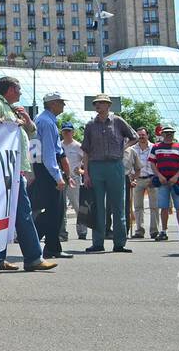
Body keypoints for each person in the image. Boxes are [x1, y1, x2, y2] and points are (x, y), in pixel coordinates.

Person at [0, 77, 56, 272]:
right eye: (18, 89)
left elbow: (32, 132)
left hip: (14, 168)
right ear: (9, 90)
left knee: (9, 214)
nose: (20, 92)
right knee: (23, 213)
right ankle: (33, 257)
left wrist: (25, 118)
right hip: (7, 168)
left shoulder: (12, 108)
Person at [80, 94, 137, 253]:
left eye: (101, 103)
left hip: (115, 165)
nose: (97, 105)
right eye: (96, 103)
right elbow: (85, 150)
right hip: (96, 166)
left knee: (118, 205)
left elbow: (134, 137)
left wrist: (122, 148)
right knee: (97, 205)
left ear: (108, 105)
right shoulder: (90, 124)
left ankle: (119, 243)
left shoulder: (117, 121)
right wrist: (86, 173)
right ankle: (97, 242)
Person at [31, 92, 68, 259]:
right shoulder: (47, 122)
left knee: (54, 209)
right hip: (47, 169)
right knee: (55, 210)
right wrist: (57, 176)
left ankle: (52, 246)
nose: (63, 106)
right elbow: (49, 153)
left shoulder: (43, 120)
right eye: (61, 102)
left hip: (41, 167)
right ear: (52, 104)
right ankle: (35, 239)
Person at [147, 124, 179, 242]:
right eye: (166, 132)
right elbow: (152, 163)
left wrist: (176, 176)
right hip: (162, 181)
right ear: (162, 134)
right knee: (163, 207)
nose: (169, 134)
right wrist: (159, 176)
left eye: (171, 132)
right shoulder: (156, 147)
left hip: (177, 182)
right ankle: (164, 231)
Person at [60, 123, 88, 241]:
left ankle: (82, 231)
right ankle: (62, 233)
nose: (67, 133)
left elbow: (86, 160)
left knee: (77, 205)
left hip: (74, 178)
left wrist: (82, 171)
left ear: (73, 132)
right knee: (62, 207)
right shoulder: (59, 145)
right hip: (61, 178)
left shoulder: (78, 146)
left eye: (69, 131)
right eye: (65, 131)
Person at [128, 128, 157, 240]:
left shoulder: (154, 148)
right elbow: (129, 164)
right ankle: (139, 230)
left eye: (143, 135)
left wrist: (155, 177)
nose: (141, 137)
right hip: (137, 179)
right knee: (138, 206)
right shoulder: (132, 149)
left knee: (154, 206)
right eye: (139, 135)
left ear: (148, 136)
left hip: (151, 178)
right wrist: (132, 178)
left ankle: (154, 230)